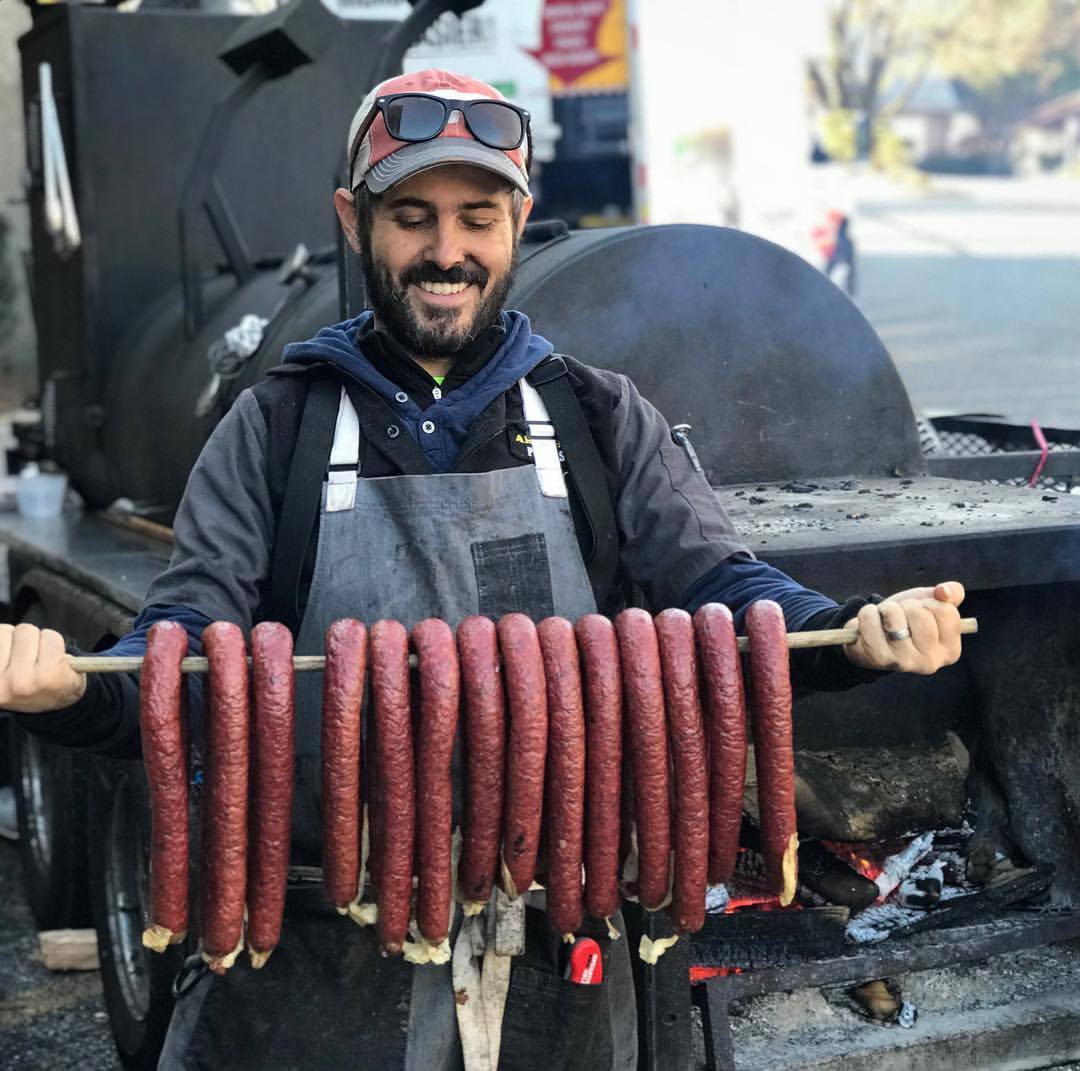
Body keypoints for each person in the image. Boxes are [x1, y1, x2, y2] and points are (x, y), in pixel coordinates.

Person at [3, 70, 963, 1070]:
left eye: (477, 217)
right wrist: (68, 691)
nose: (446, 250)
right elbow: (182, 655)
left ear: (518, 222)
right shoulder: (274, 429)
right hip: (320, 952)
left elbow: (724, 589)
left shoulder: (598, 417)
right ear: (354, 222)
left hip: (561, 936)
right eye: (412, 217)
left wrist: (855, 632)